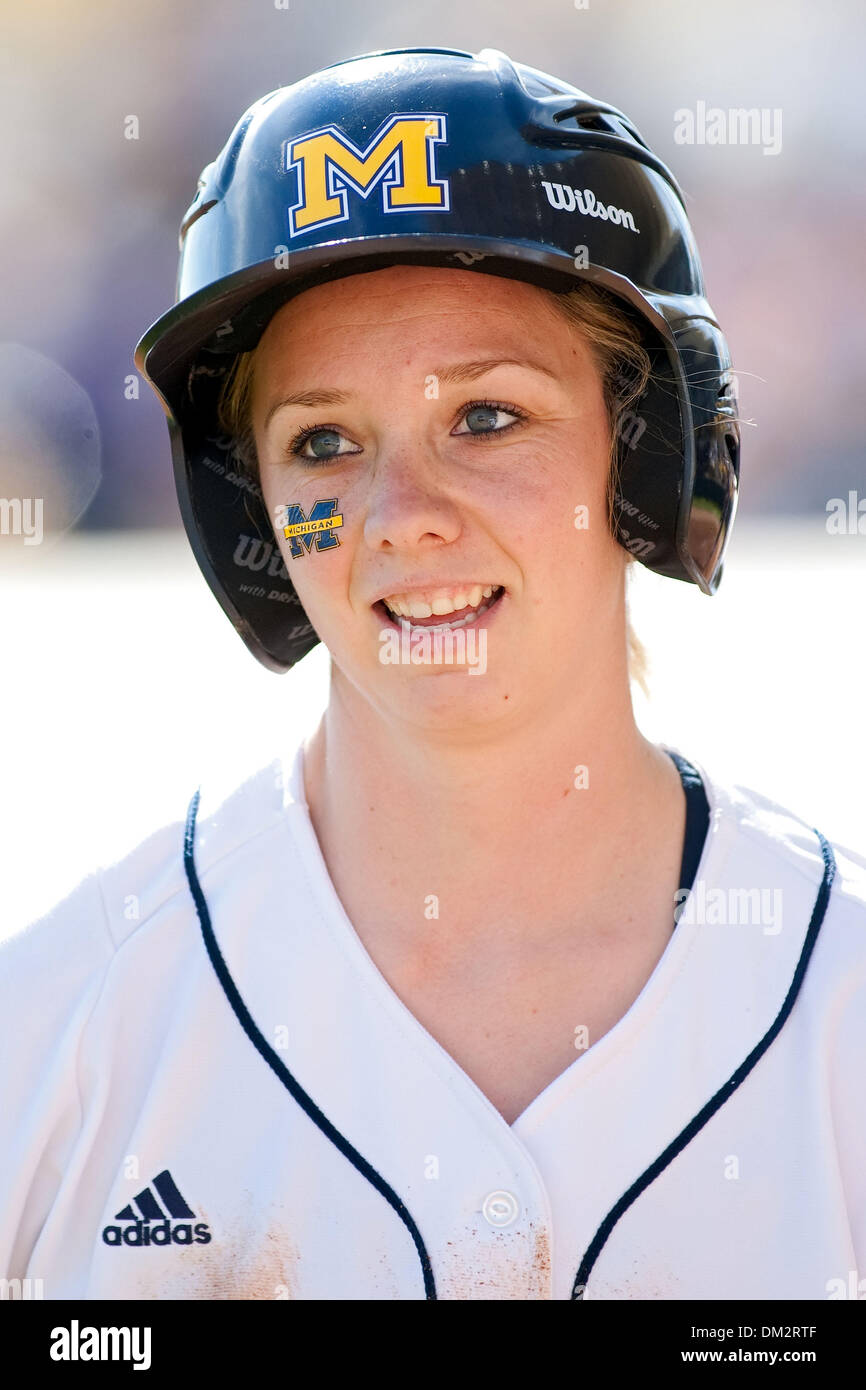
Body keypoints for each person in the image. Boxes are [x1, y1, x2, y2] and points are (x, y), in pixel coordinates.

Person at [1, 47, 864, 1303]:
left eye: (485, 417)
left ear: (643, 457)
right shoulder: (60, 1021)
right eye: (324, 441)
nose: (399, 516)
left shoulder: (835, 999)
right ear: (248, 499)